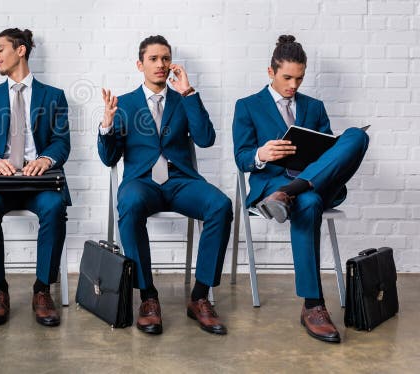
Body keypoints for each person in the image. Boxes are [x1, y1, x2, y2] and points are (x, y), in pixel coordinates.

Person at [233, 34, 369, 343]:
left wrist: (328, 150)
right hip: (272, 183)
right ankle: (313, 305)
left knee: (356, 136)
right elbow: (241, 158)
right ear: (271, 72)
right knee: (308, 203)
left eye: (300, 78)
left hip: (309, 183)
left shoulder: (315, 106)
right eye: (287, 77)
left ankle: (293, 190)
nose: (294, 85)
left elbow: (331, 155)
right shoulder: (247, 106)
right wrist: (260, 154)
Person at [98, 35, 232, 335]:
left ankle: (199, 297)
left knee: (221, 205)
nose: (161, 64)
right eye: (154, 59)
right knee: (130, 204)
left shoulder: (183, 99)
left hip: (181, 181)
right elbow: (109, 158)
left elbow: (206, 139)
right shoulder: (124, 103)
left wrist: (188, 92)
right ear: (140, 64)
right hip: (142, 183)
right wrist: (106, 125)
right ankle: (148, 296)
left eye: (165, 58)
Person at [0, 28, 70, 327]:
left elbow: (61, 142)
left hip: (38, 179)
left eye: (0, 49)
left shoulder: (54, 96)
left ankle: (42, 289)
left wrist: (45, 159)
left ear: (21, 50)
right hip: (0, 179)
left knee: (54, 208)